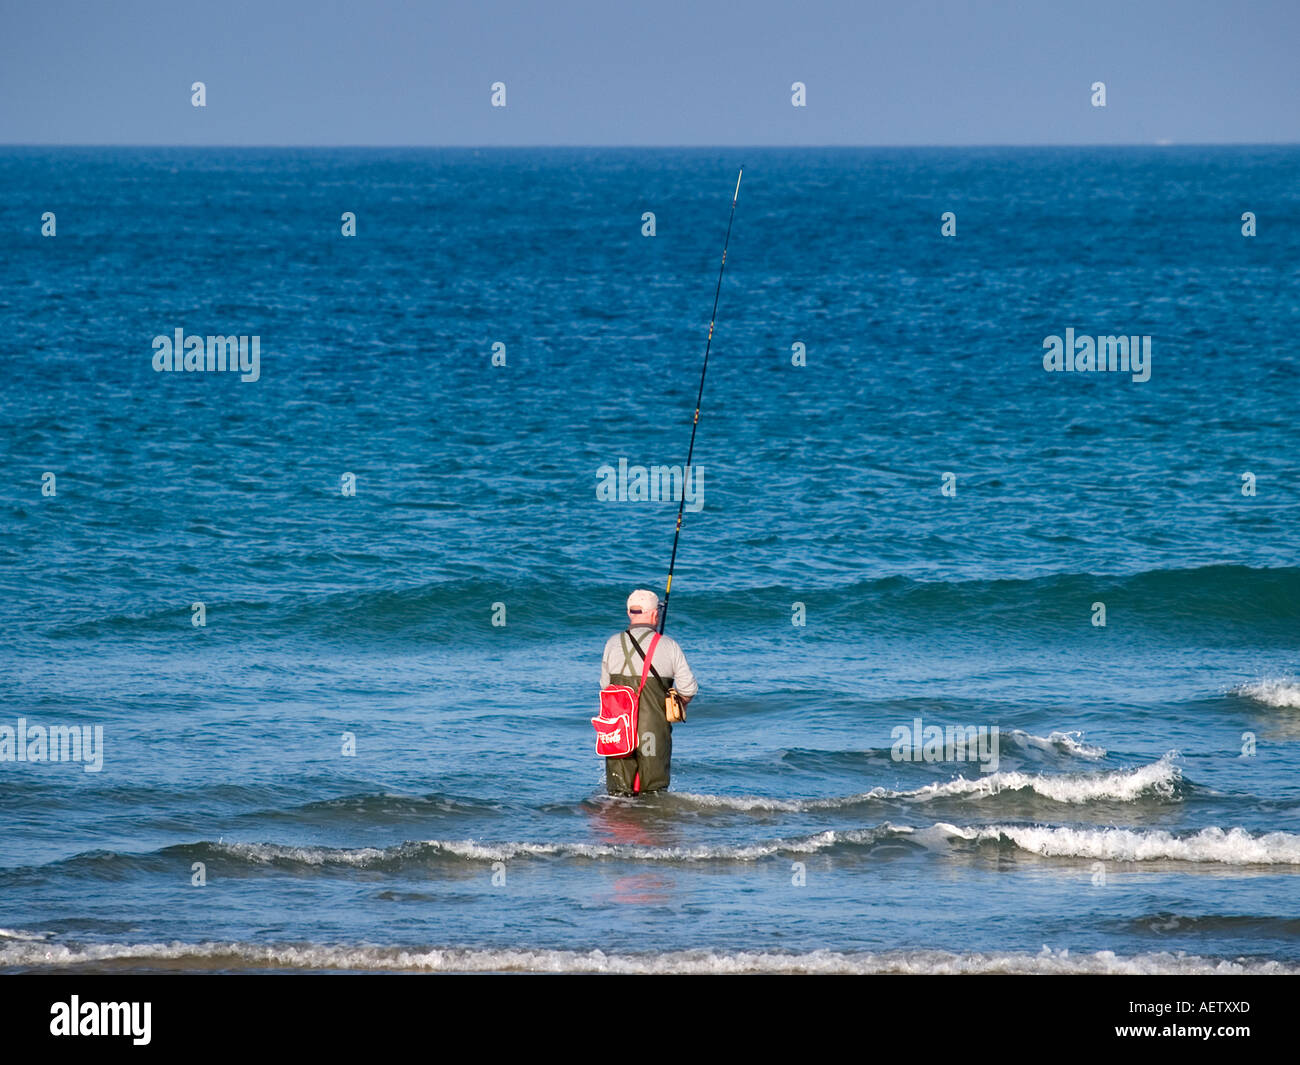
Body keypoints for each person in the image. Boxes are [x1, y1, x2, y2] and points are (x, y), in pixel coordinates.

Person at [600, 589, 698, 795]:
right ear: (655, 614)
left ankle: (618, 825)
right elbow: (688, 689)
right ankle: (651, 826)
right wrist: (678, 703)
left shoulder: (612, 644)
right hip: (652, 730)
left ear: (629, 613)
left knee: (618, 793)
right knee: (653, 793)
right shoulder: (669, 646)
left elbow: (605, 688)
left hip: (618, 730)